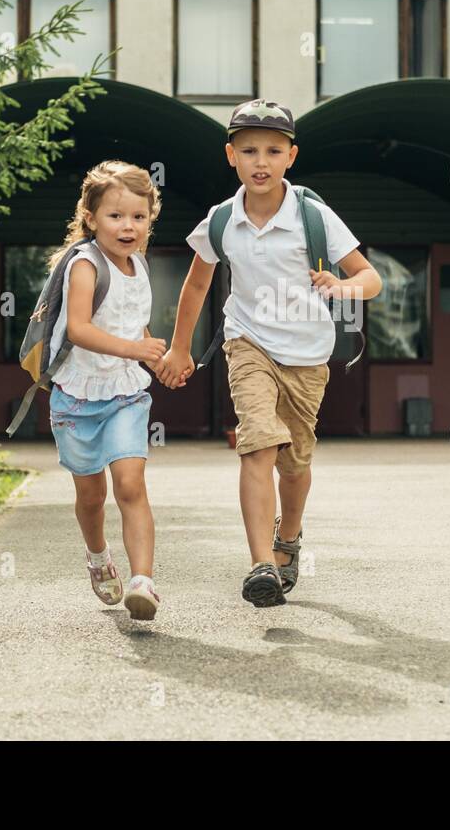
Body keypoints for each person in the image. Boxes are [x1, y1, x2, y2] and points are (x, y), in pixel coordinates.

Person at [157, 100, 383, 607]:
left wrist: (342, 287)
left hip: (307, 354)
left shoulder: (312, 216)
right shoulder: (222, 220)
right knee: (258, 444)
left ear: (291, 156)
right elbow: (196, 287)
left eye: (273, 151)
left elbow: (372, 279)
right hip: (247, 341)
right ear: (230, 156)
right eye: (250, 150)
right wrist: (178, 349)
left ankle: (289, 537)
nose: (261, 161)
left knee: (295, 464)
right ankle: (261, 564)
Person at [47, 160, 166, 620]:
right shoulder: (85, 265)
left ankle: (143, 583)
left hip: (126, 395)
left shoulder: (139, 264)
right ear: (91, 217)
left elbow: (133, 323)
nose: (127, 226)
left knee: (131, 485)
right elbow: (78, 329)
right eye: (115, 216)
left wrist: (157, 355)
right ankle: (98, 558)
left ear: (150, 219)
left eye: (138, 216)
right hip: (77, 397)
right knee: (91, 496)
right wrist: (135, 348)